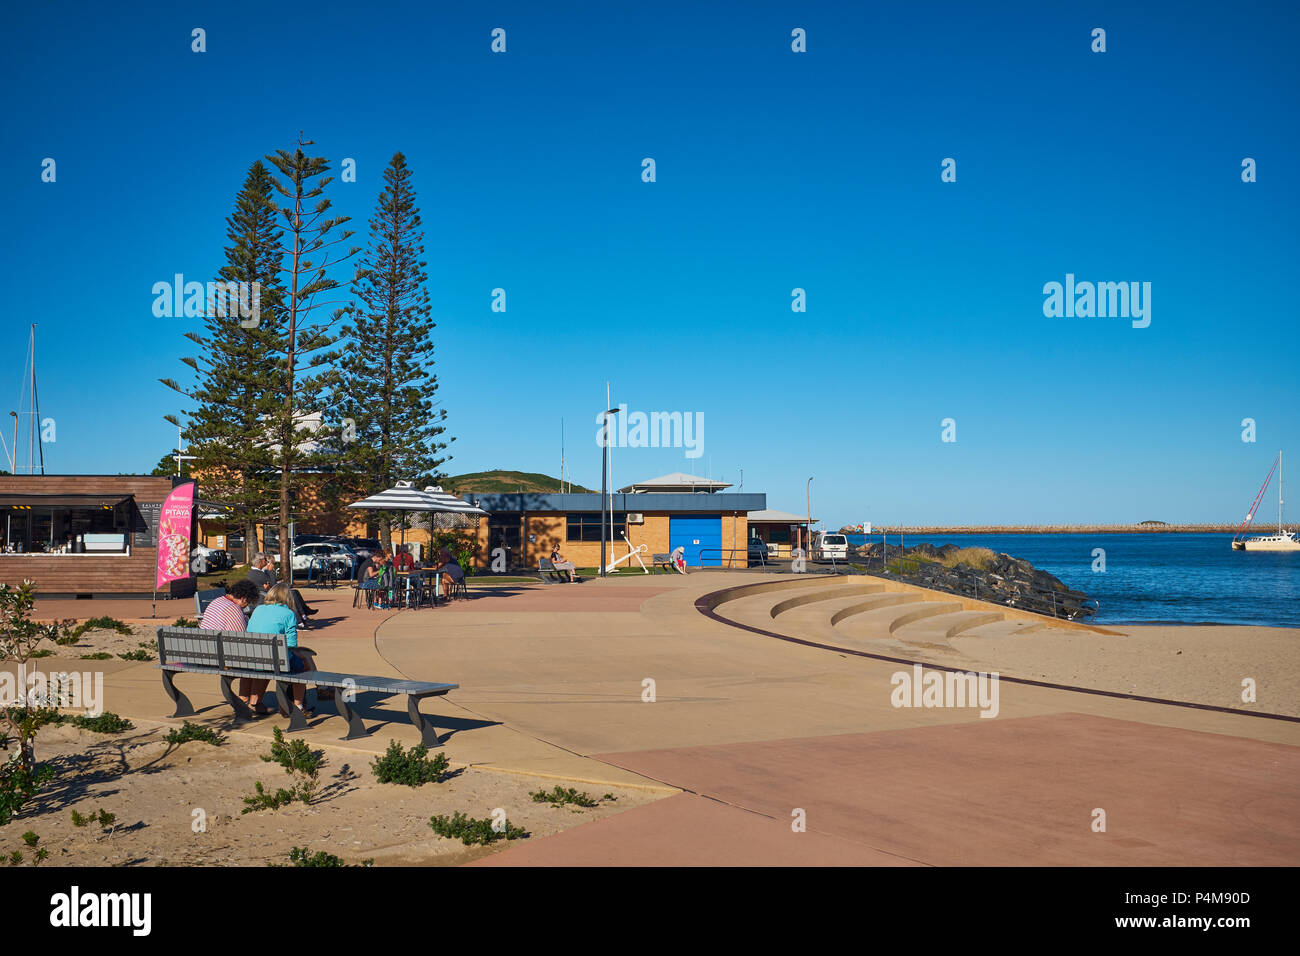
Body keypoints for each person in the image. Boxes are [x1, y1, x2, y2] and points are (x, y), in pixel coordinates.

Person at [246, 583, 316, 716]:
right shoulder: (289, 614)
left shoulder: (259, 609)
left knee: (265, 664)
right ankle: (299, 705)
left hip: (253, 658)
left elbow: (249, 632)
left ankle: (254, 702)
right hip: (276, 661)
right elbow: (291, 645)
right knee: (304, 666)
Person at [199, 579, 266, 711]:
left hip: (205, 652)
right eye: (247, 603)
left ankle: (245, 698)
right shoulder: (233, 609)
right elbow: (242, 638)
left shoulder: (217, 601)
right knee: (260, 661)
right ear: (243, 598)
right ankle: (250, 701)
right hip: (221, 658)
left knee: (248, 659)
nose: (245, 606)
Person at [248, 552, 317, 622]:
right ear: (261, 561)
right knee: (291, 594)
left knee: (295, 591)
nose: (266, 561)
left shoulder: (257, 572)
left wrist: (276, 581)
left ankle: (304, 612)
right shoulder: (257, 573)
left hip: (269, 593)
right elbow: (273, 584)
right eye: (265, 559)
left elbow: (270, 583)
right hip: (267, 596)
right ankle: (300, 618)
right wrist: (271, 571)